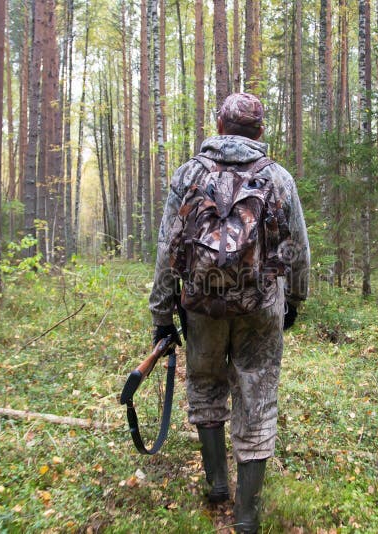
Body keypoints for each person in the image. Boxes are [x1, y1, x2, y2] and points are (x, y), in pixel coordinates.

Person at [149, 92, 310, 533]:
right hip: (262, 305)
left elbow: (167, 251)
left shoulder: (187, 175)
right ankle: (246, 515)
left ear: (219, 126)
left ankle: (217, 483)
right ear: (259, 132)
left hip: (200, 305)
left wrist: (162, 314)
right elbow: (296, 247)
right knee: (257, 394)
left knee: (205, 385)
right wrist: (295, 298)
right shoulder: (278, 178)